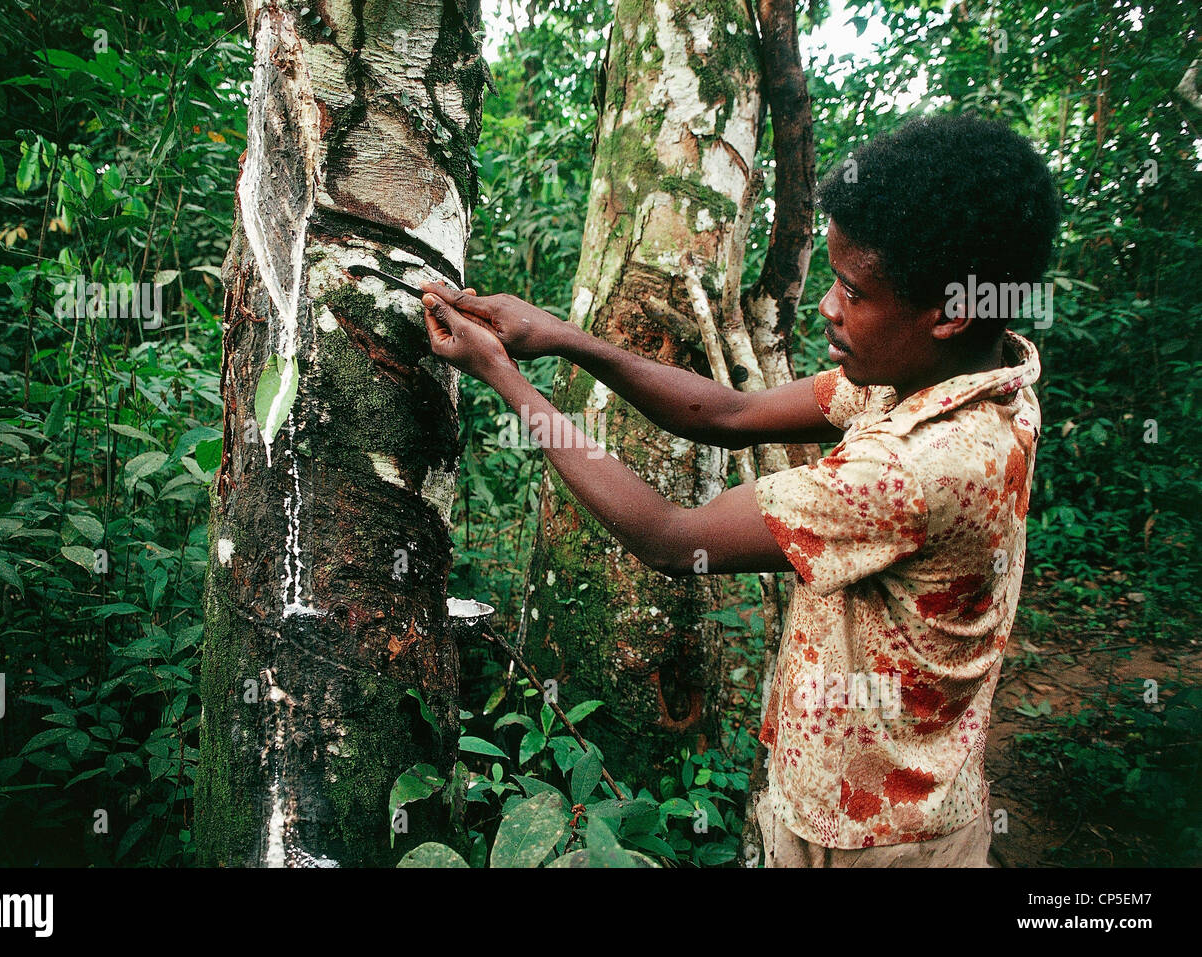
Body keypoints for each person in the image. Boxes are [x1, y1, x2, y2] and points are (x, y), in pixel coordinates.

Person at [418, 111, 1061, 867]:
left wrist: (504, 376)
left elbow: (669, 535)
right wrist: (564, 336)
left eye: (853, 291)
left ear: (949, 314)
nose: (827, 305)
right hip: (870, 796)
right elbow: (734, 413)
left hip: (881, 843)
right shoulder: (971, 375)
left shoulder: (916, 467)